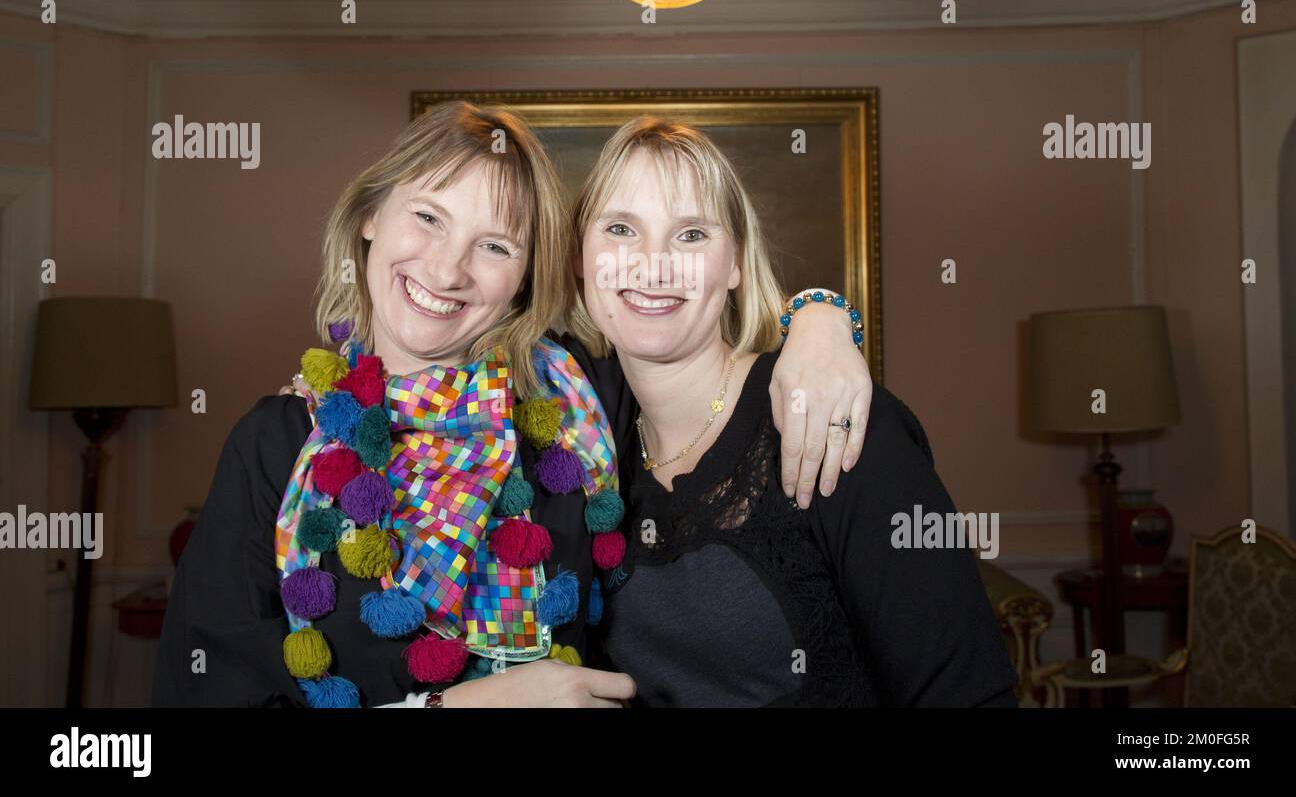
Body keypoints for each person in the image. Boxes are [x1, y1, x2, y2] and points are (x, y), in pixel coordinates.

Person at [152, 100, 872, 707]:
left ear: (524, 278)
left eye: (494, 245)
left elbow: (684, 324)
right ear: (371, 215)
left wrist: (820, 321)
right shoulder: (280, 442)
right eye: (429, 218)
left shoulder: (574, 400)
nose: (447, 268)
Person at [570, 117, 1021, 706]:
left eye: (691, 235)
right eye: (622, 228)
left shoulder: (831, 418)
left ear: (734, 263)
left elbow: (967, 693)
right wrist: (820, 310)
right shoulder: (578, 422)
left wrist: (820, 313)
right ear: (580, 256)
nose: (655, 265)